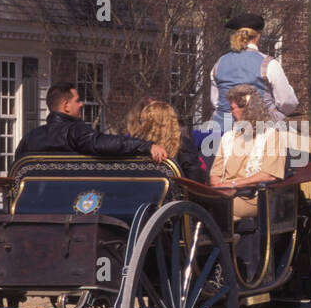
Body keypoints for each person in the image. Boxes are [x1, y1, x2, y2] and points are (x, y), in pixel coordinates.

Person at [15, 83, 167, 163]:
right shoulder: (74, 131)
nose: (81, 104)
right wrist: (146, 146)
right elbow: (103, 144)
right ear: (66, 106)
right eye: (78, 100)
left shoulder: (30, 138)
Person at [208, 13, 298, 132]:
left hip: (221, 131)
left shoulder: (219, 63)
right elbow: (287, 102)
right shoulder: (269, 64)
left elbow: (216, 102)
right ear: (258, 36)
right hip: (260, 132)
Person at [210, 84, 286, 217]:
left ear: (251, 108)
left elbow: (268, 175)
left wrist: (233, 185)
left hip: (253, 196)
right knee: (199, 207)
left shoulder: (271, 135)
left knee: (219, 210)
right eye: (232, 108)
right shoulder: (228, 137)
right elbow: (215, 173)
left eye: (238, 108)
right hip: (224, 194)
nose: (233, 112)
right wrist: (220, 187)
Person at [128, 99, 205, 182]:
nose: (142, 125)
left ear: (151, 123)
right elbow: (196, 178)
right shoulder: (183, 144)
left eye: (143, 120)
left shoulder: (139, 144)